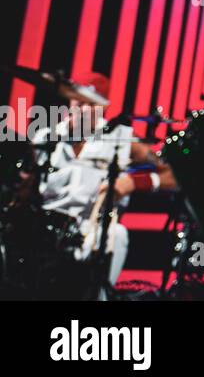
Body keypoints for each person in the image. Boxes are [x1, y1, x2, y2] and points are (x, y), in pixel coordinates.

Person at [30, 72, 177, 293]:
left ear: (102, 109)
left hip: (89, 232)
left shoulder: (119, 139)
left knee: (117, 234)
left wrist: (134, 182)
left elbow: (173, 175)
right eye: (76, 100)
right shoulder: (45, 138)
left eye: (89, 104)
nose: (80, 108)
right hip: (43, 228)